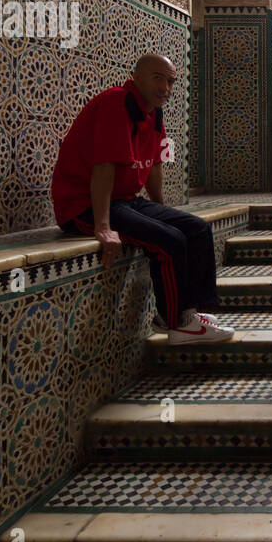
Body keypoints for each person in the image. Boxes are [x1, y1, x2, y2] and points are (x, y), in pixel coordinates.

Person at [51, 54, 234, 345]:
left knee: (197, 228)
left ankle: (191, 311)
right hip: (83, 204)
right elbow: (103, 167)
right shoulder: (116, 102)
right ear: (135, 76)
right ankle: (175, 324)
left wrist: (159, 208)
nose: (166, 87)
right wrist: (103, 226)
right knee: (168, 240)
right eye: (157, 77)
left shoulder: (153, 111)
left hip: (124, 199)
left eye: (171, 81)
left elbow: (156, 164)